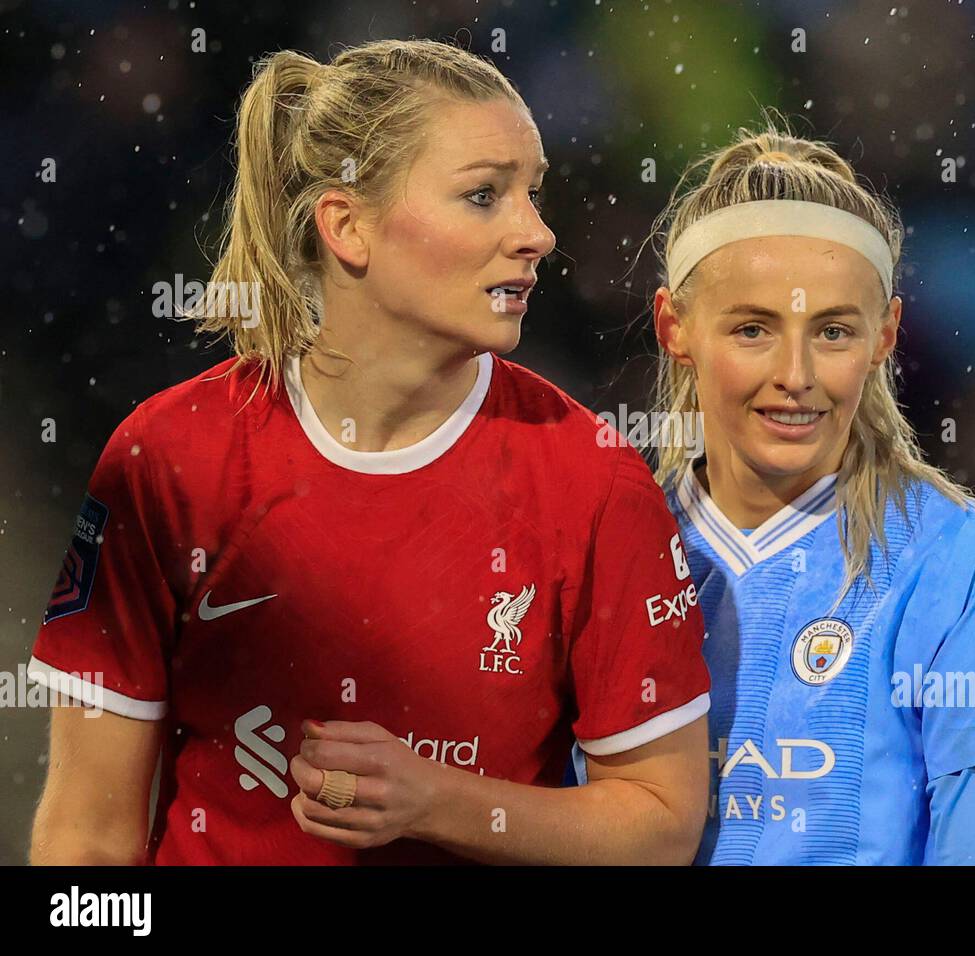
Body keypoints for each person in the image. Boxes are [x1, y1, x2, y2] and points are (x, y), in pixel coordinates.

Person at [27, 39, 709, 866]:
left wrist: (437, 801)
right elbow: (85, 841)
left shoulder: (595, 478)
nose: (538, 234)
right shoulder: (167, 460)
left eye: (534, 194)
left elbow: (661, 826)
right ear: (347, 226)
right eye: (485, 195)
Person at [646, 119, 975, 864]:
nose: (797, 374)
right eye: (753, 329)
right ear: (674, 326)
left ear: (886, 335)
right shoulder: (610, 547)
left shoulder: (959, 565)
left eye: (834, 332)